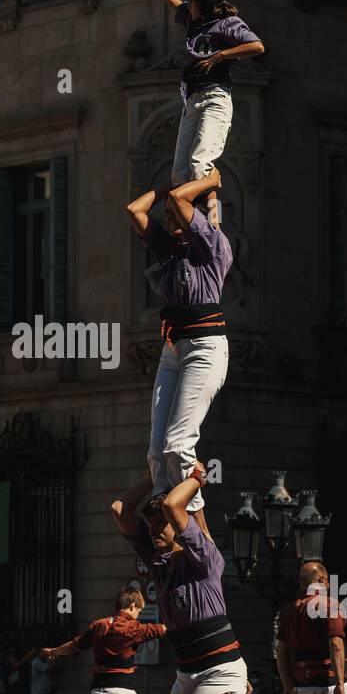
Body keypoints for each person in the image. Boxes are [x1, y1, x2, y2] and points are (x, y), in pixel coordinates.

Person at [126, 167, 232, 518]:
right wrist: (165, 187)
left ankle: (195, 526)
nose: (169, 216)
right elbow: (135, 211)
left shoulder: (211, 246)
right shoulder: (170, 251)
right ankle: (164, 516)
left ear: (196, 215)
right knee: (157, 451)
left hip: (204, 349)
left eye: (177, 213)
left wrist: (210, 184)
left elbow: (178, 199)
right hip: (173, 350)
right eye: (169, 214)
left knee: (178, 442)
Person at [112, 466, 247, 694]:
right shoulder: (157, 562)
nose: (153, 528)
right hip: (187, 671)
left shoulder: (203, 558)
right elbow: (119, 510)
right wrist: (153, 475)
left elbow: (175, 505)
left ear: (179, 526)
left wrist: (196, 477)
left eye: (160, 522)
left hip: (219, 668)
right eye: (150, 522)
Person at [159, 0, 265, 204]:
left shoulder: (228, 24)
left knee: (199, 164)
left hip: (214, 97)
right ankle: (192, 220)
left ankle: (212, 215)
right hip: (191, 100)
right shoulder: (193, 22)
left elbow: (257, 47)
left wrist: (221, 55)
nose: (188, 5)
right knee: (180, 174)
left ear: (204, 6)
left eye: (192, 2)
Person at [39, 586, 166, 694]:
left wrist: (54, 651)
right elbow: (163, 629)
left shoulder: (98, 625)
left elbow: (75, 645)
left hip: (98, 692)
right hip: (122, 691)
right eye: (139, 610)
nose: (139, 613)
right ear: (132, 606)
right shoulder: (134, 628)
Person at [276, 561, 347, 694]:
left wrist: (288, 687)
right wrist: (339, 684)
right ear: (323, 580)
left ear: (302, 583)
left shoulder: (288, 611)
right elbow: (336, 644)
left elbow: (280, 652)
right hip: (327, 686)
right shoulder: (330, 605)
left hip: (301, 688)